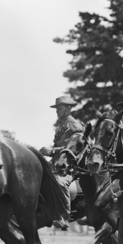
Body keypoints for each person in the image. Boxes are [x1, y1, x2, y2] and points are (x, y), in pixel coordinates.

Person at [40, 95, 84, 230]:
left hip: (70, 164)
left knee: (60, 182)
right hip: (57, 162)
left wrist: (52, 150)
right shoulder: (60, 126)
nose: (57, 111)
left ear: (68, 109)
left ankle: (63, 216)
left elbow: (74, 147)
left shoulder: (75, 126)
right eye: (56, 109)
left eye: (60, 108)